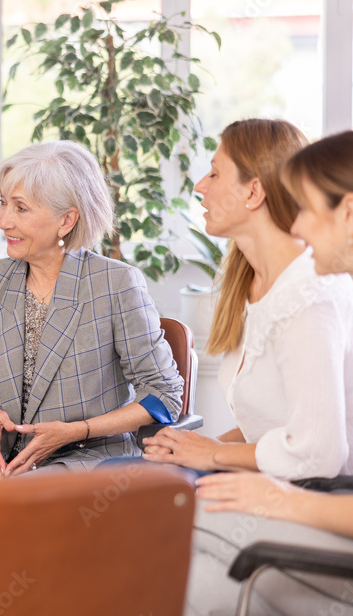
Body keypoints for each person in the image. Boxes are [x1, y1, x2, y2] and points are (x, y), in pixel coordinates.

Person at [0, 140, 184, 478]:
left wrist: (78, 430)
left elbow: (164, 393)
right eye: (3, 203)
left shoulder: (116, 284)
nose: (3, 221)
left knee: (26, 500)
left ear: (66, 221)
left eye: (21, 208)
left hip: (85, 458)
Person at [183, 129, 353, 615]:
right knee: (194, 579)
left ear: (347, 213)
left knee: (163, 522)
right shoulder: (266, 288)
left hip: (322, 500)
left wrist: (268, 492)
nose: (295, 224)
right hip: (320, 501)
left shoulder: (312, 296)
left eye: (306, 208)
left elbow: (319, 452)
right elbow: (285, 419)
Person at [142, 119, 353, 480]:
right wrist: (195, 448)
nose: (199, 186)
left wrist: (213, 453)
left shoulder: (308, 295)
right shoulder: (254, 284)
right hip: (272, 482)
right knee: (130, 476)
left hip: (311, 495)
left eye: (214, 173)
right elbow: (278, 425)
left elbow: (318, 454)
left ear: (254, 192)